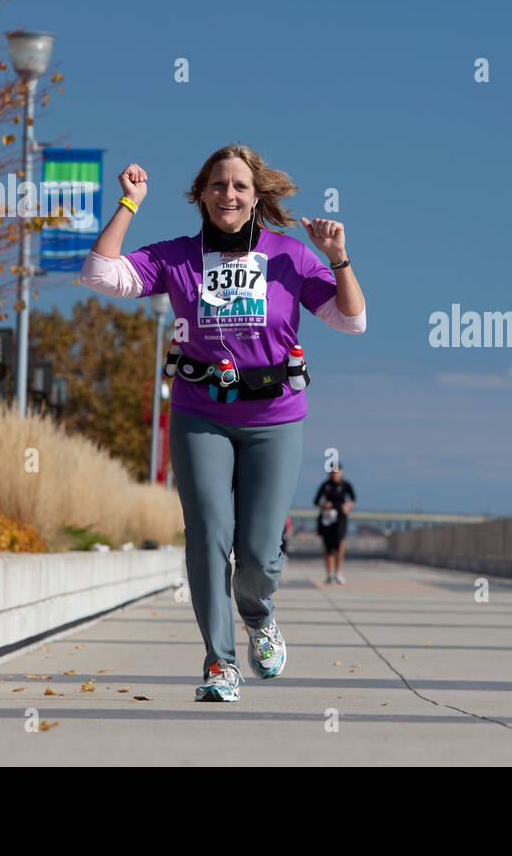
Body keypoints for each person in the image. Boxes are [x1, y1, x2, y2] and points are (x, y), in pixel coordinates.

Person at [80, 145, 366, 702]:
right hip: (200, 413)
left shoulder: (290, 257)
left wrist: (337, 258)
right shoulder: (176, 257)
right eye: (217, 185)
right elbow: (98, 274)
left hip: (274, 417)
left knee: (257, 553)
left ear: (257, 196)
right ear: (201, 195)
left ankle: (258, 613)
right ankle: (219, 662)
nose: (227, 195)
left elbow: (351, 320)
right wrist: (129, 203)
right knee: (208, 534)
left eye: (239, 186)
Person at [313, 464, 356, 584]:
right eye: (332, 472)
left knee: (340, 543)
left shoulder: (346, 485)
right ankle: (329, 574)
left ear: (341, 472)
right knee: (328, 546)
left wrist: (347, 506)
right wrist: (323, 505)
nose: (334, 474)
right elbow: (316, 501)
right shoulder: (325, 485)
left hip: (340, 517)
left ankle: (338, 572)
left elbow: (353, 499)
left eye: (337, 472)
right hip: (327, 518)